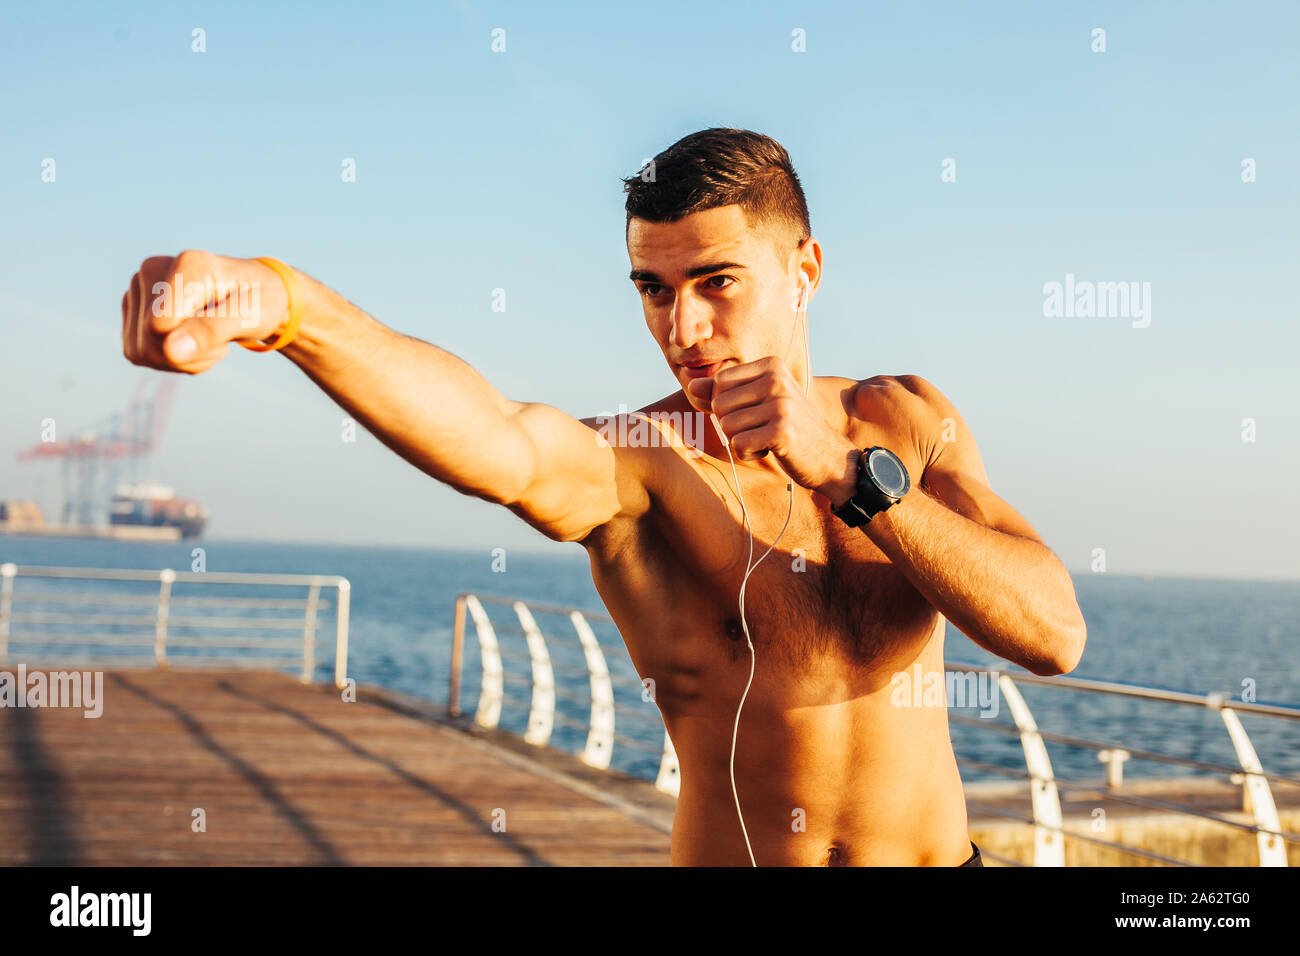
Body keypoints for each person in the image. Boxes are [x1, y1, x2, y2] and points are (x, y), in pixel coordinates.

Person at [120, 127, 1086, 866]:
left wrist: (848, 477)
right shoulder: (641, 460)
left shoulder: (905, 419)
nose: (684, 325)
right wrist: (292, 308)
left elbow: (1052, 633)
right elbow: (500, 441)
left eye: (716, 282)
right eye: (654, 290)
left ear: (805, 273)